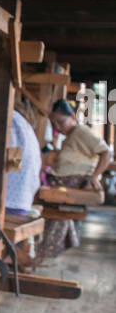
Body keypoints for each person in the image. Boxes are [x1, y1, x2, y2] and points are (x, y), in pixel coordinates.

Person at [38, 98, 112, 260]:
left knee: (53, 210)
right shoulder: (71, 136)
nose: (57, 127)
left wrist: (94, 177)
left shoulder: (81, 132)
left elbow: (106, 152)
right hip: (60, 182)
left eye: (60, 122)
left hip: (70, 184)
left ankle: (43, 253)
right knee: (56, 213)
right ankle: (46, 251)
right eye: (53, 123)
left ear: (72, 116)